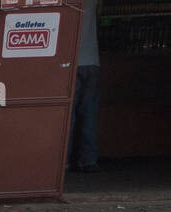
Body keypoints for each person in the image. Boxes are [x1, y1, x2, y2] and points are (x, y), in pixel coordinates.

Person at [68, 0, 100, 172]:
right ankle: (88, 160)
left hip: (69, 61)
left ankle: (62, 161)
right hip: (92, 60)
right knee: (90, 113)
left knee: (67, 116)